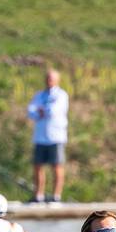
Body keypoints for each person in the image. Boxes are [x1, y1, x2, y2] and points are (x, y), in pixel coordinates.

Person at [27, 68, 69, 203]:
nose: (49, 80)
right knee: (38, 166)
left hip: (55, 136)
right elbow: (31, 111)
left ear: (57, 80)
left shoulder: (61, 95)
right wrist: (40, 111)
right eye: (47, 78)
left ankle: (56, 196)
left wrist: (41, 110)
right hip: (40, 137)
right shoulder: (39, 95)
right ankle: (38, 195)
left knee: (57, 166)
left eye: (51, 78)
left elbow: (53, 111)